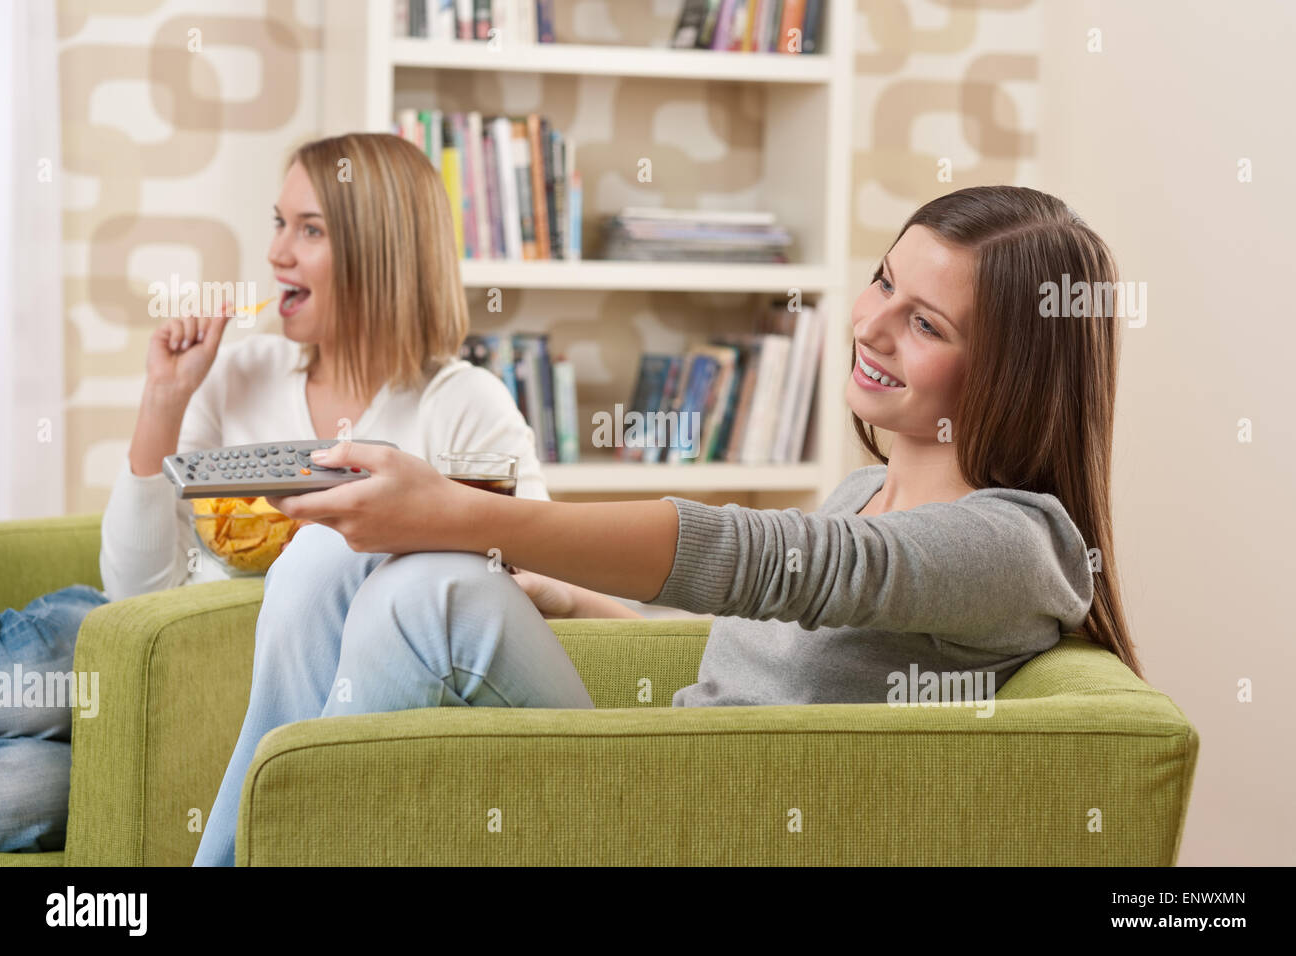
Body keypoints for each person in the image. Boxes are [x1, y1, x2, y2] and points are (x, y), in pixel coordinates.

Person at [191, 184, 1145, 866]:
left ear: (1014, 369)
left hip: (713, 825)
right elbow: (745, 657)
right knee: (327, 555)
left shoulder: (1016, 543)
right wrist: (563, 594)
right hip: (670, 774)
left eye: (927, 323)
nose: (871, 325)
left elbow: (775, 564)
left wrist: (471, 513)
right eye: (882, 282)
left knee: (425, 596)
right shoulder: (865, 492)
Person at [0, 131, 559, 853]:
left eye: (311, 230)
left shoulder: (465, 405)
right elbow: (131, 595)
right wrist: (163, 400)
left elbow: (533, 581)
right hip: (159, 653)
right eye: (278, 223)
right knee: (30, 674)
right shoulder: (235, 374)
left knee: (21, 792)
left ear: (380, 254)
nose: (276, 254)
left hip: (255, 704)